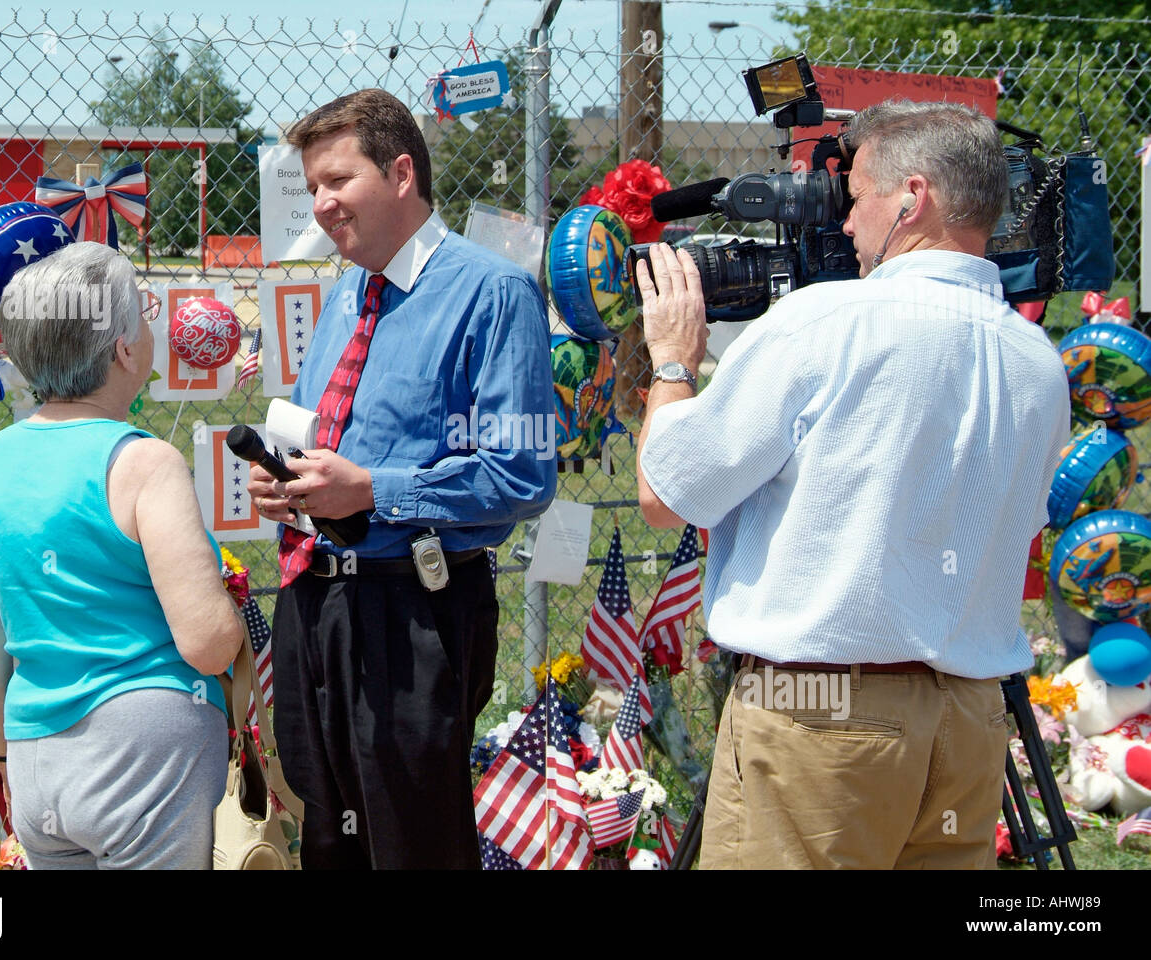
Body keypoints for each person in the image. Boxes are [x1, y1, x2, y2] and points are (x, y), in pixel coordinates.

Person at [635, 99, 1072, 869]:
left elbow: (665, 494)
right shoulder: (1038, 361)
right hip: (970, 719)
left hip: (817, 712)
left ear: (913, 197)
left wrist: (672, 360)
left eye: (858, 196)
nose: (843, 224)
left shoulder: (823, 323)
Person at [246, 88, 557, 869]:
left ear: (403, 174)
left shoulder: (493, 293)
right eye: (313, 185)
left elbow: (521, 476)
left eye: (338, 181)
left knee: (411, 843)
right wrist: (290, 489)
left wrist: (376, 492)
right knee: (331, 837)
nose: (320, 204)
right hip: (316, 600)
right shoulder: (347, 291)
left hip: (413, 611)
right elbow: (329, 440)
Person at [0, 242, 243, 870]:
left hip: (36, 754)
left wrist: (3, 756)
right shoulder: (145, 461)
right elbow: (208, 643)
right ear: (123, 349)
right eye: (140, 319)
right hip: (148, 752)